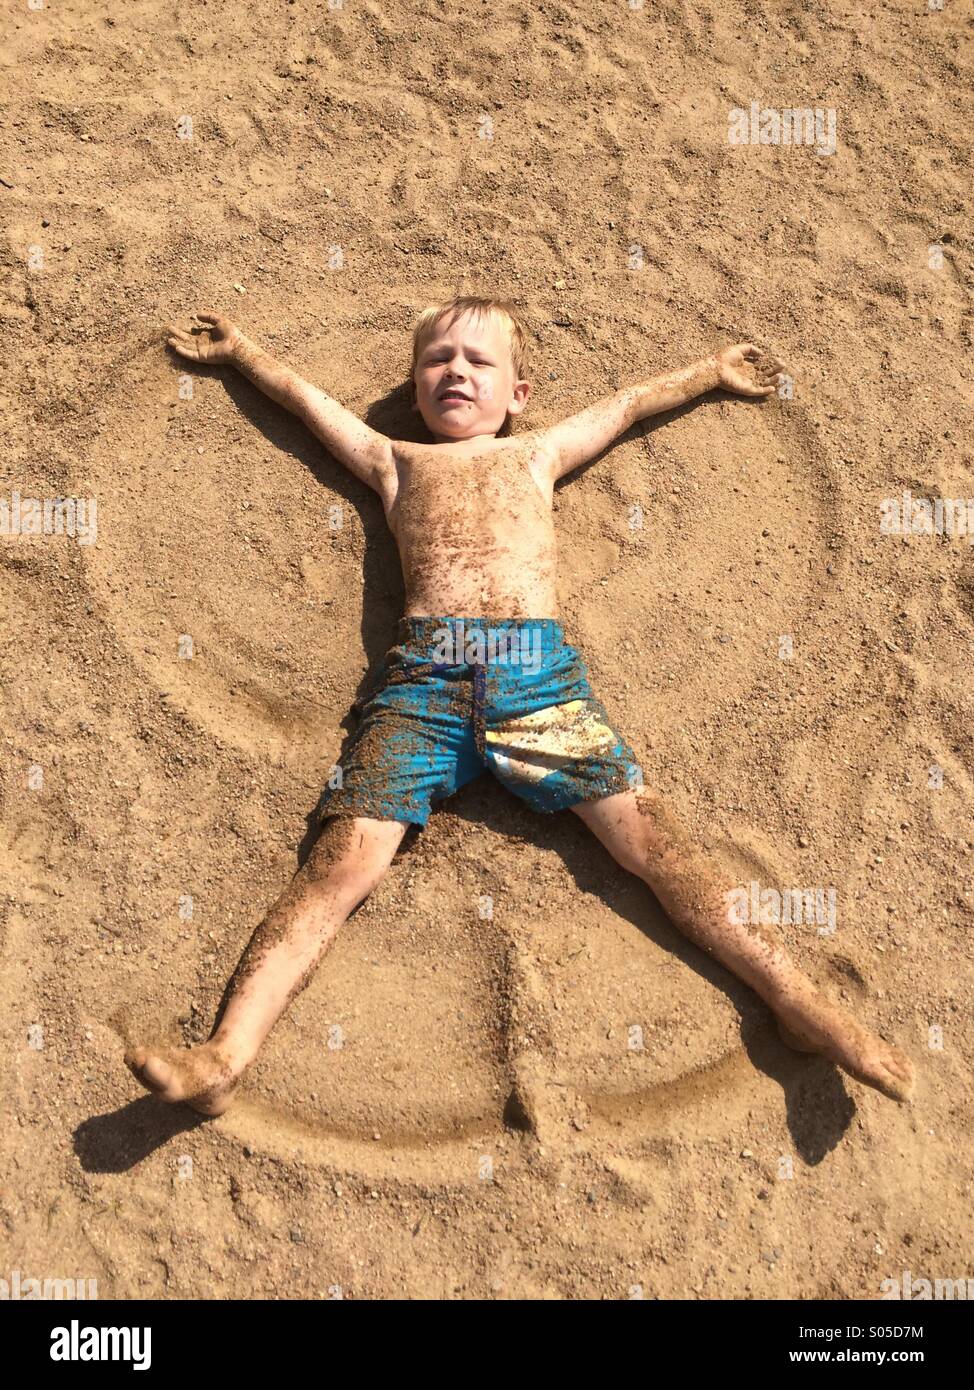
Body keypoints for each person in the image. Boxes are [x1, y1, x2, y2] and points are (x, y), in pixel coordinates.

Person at [125, 295, 915, 1114]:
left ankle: (794, 998)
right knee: (342, 862)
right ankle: (225, 1056)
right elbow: (306, 400)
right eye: (436, 362)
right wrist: (243, 351)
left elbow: (626, 406)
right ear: (415, 387)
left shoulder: (537, 455)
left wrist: (708, 374)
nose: (455, 373)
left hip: (535, 679)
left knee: (654, 843)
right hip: (421, 687)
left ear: (519, 396)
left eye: (478, 363)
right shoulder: (394, 459)